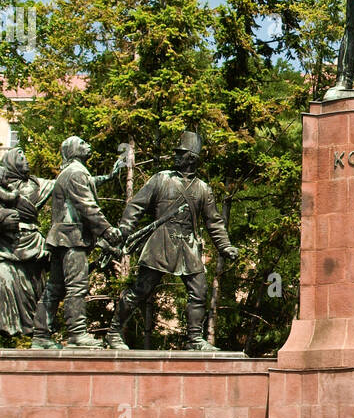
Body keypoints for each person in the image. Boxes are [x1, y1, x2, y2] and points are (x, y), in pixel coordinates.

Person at [105, 131, 239, 351]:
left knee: (199, 292)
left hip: (188, 245)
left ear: (192, 158)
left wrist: (225, 246)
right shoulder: (161, 179)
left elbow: (214, 222)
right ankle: (113, 332)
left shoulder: (203, 189)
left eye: (181, 153)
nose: (176, 156)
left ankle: (194, 339)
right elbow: (135, 206)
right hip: (161, 241)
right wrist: (124, 230)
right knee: (141, 289)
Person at [32, 136, 125, 349]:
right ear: (73, 150)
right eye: (83, 143)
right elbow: (87, 205)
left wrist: (110, 177)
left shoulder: (72, 172)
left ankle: (40, 334)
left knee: (54, 288)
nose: (88, 145)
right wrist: (107, 230)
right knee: (77, 286)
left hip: (61, 237)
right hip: (72, 238)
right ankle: (76, 333)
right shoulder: (75, 173)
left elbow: (89, 183)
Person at [0, 150, 53, 347]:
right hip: (4, 247)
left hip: (32, 247)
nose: (26, 160)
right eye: (21, 157)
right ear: (10, 163)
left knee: (35, 290)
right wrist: (0, 220)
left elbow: (69, 183)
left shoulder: (38, 184)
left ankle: (39, 334)